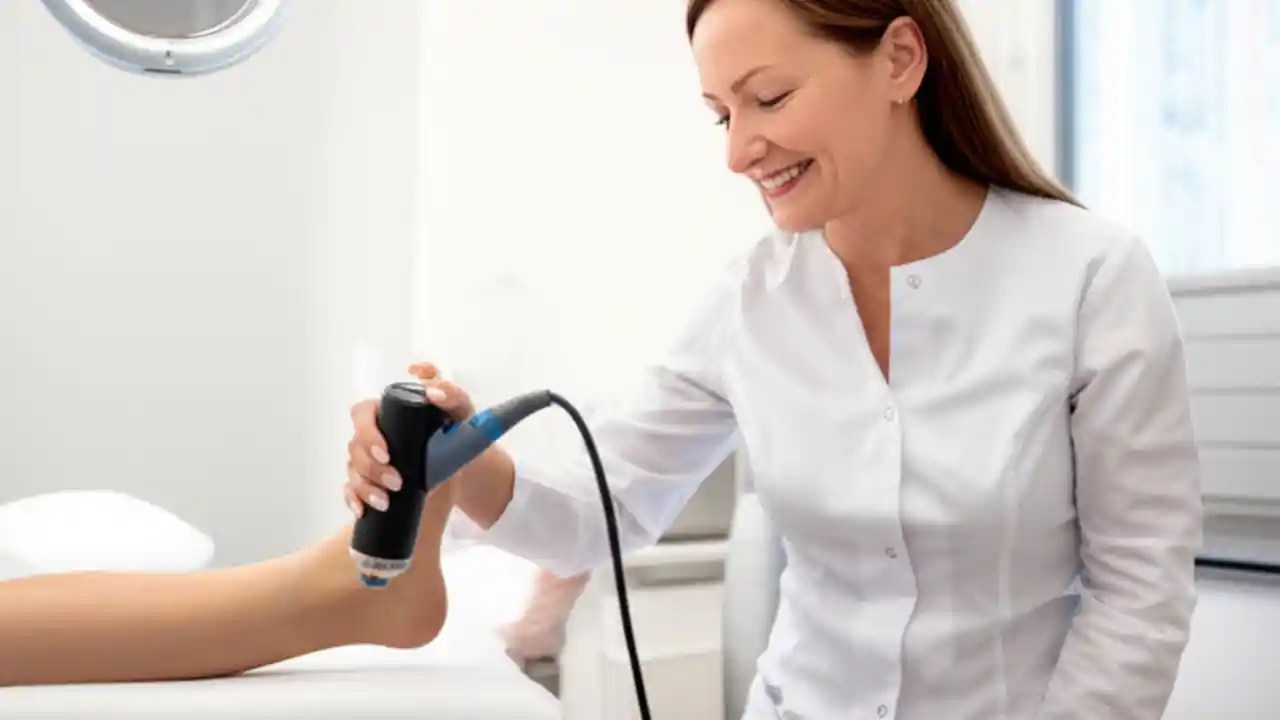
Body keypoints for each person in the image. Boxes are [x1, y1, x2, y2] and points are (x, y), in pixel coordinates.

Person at [346, 1, 1203, 718]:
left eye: (770, 98)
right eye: (724, 112)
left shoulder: (1090, 278)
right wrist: (456, 461)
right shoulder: (751, 299)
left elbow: (1140, 598)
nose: (737, 150)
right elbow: (599, 510)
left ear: (901, 60)